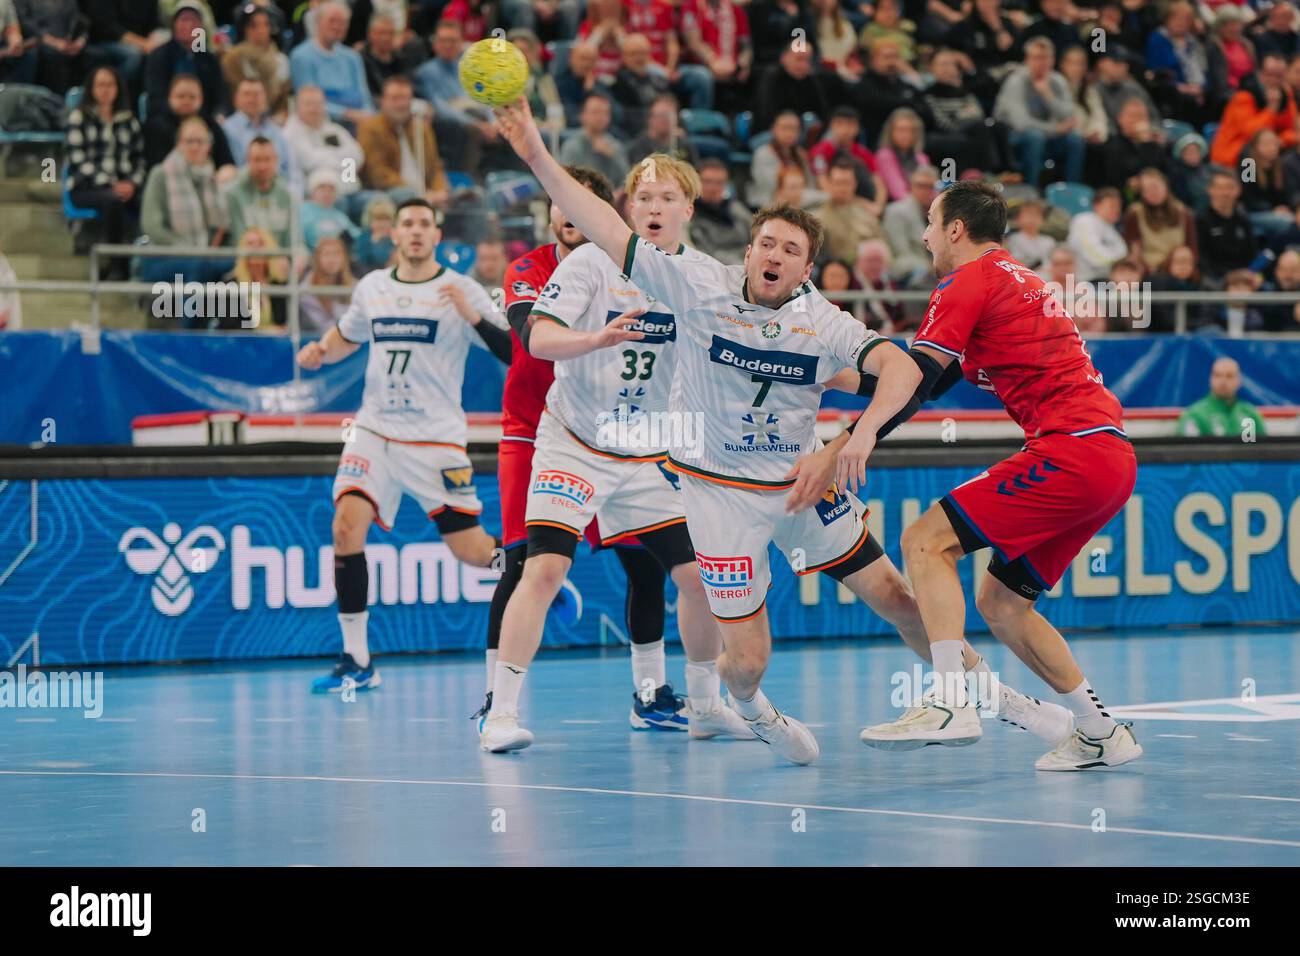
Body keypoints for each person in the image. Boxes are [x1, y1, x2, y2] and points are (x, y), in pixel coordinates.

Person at [491, 98, 1073, 763]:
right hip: (718, 495)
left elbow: (901, 371)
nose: (775, 253)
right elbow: (601, 225)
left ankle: (1005, 703)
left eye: (791, 249)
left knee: (899, 600)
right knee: (749, 660)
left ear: (804, 270)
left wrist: (859, 435)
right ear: (747, 251)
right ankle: (748, 708)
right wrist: (535, 151)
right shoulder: (695, 284)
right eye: (766, 241)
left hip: (799, 484)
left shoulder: (820, 321)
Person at [855, 180, 1142, 771]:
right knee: (1003, 605)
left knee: (924, 541)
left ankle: (949, 701)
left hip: (1071, 450)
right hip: (1109, 457)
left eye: (932, 223)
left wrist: (851, 439)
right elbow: (924, 382)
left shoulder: (965, 281)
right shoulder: (1020, 279)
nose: (927, 234)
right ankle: (1099, 731)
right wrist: (830, 375)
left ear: (956, 228)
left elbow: (918, 382)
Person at [478, 152, 754, 751]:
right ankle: (500, 714)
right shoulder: (590, 263)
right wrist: (595, 338)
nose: (654, 208)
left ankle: (704, 705)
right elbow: (540, 338)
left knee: (699, 579)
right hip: (574, 441)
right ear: (627, 209)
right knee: (544, 567)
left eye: (666, 199)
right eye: (643, 198)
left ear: (688, 207)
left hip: (647, 453)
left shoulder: (707, 276)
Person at [296, 198, 514, 693]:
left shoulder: (461, 289)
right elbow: (347, 334)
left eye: (424, 224)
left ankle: (527, 567)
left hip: (434, 440)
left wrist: (473, 318)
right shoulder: (373, 286)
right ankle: (357, 659)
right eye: (407, 223)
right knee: (345, 527)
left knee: (473, 552)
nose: (415, 232)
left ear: (437, 235)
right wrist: (320, 352)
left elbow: (511, 351)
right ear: (393, 234)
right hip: (373, 431)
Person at [66, 65, 145, 269]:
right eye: (100, 85)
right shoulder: (79, 118)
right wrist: (112, 185)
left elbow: (139, 159)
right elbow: (78, 162)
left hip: (125, 186)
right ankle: (117, 265)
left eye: (110, 85)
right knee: (113, 202)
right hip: (87, 187)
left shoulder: (129, 120)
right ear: (91, 89)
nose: (105, 89)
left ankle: (147, 262)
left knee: (148, 200)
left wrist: (132, 183)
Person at [139, 116, 231, 285]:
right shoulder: (161, 174)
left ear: (209, 145)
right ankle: (190, 312)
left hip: (205, 254)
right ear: (179, 144)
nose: (195, 147)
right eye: (189, 141)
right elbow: (152, 226)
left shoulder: (211, 177)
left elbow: (220, 225)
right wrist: (189, 250)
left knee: (238, 264)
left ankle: (256, 311)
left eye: (200, 141)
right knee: (198, 266)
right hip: (163, 257)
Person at [993, 37, 1085, 188]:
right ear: (1027, 59)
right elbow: (1021, 123)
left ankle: (1071, 191)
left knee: (1075, 139)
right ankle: (1032, 191)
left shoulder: (1057, 80)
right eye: (1037, 58)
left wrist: (1048, 95)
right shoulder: (1016, 82)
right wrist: (1056, 129)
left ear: (1052, 60)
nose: (1042, 63)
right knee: (1035, 136)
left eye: (1046, 58)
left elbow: (1070, 116)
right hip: (1012, 136)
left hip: (1047, 136)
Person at [288, 0, 373, 126]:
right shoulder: (301, 56)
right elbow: (308, 101)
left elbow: (365, 96)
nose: (337, 27)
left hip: (359, 120)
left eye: (343, 23)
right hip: (322, 122)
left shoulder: (353, 57)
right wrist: (346, 113)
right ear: (318, 22)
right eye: (332, 21)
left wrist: (367, 114)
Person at [282, 84, 365, 206]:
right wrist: (343, 161)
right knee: (339, 202)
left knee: (375, 201)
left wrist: (325, 157)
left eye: (318, 104)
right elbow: (309, 161)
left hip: (351, 189)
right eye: (308, 104)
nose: (314, 109)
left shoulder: (334, 129)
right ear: (297, 106)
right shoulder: (290, 133)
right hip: (316, 197)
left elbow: (357, 156)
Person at [144, 2, 226, 119]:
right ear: (174, 24)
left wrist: (218, 114)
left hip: (204, 118)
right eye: (183, 20)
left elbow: (219, 95)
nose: (188, 25)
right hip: (167, 118)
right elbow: (155, 96)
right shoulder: (159, 56)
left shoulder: (209, 59)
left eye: (194, 21)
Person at [143, 73, 236, 174]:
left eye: (192, 97)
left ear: (201, 99)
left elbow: (227, 163)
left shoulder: (211, 126)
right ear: (170, 98)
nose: (186, 101)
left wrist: (225, 173)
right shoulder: (155, 128)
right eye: (181, 96)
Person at [1122, 168, 1198, 275]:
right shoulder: (1135, 214)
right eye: (1146, 189)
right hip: (1151, 271)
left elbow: (1192, 248)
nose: (1152, 192)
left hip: (1180, 269)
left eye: (1155, 187)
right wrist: (1147, 269)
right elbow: (1135, 252)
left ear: (1165, 186)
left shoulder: (1183, 213)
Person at [221, 4, 291, 116]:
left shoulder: (281, 60)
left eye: (266, 24)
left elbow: (283, 101)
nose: (260, 30)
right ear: (244, 29)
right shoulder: (232, 59)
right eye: (254, 26)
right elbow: (229, 95)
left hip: (274, 120)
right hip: (239, 116)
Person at [812, 157, 885, 264]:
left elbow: (884, 250)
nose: (842, 188)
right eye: (838, 182)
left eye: (847, 183)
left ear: (854, 184)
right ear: (829, 184)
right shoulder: (817, 220)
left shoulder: (868, 216)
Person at [225, 137, 293, 250]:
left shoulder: (287, 195)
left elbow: (293, 241)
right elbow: (239, 241)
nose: (263, 166)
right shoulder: (233, 194)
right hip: (246, 261)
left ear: (276, 160)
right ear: (248, 160)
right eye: (257, 160)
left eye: (267, 159)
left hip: (280, 263)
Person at [1196, 165, 1259, 285]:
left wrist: (1249, 274)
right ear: (1210, 190)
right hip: (1216, 278)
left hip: (1243, 278)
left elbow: (1251, 254)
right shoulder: (1201, 220)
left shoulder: (1243, 219)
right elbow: (1202, 260)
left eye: (1230, 188)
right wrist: (1228, 277)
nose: (1225, 193)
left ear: (1238, 190)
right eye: (1220, 188)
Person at [1178, 357, 1266, 437]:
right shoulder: (1196, 415)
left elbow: (1261, 450)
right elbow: (1190, 452)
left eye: (1229, 376)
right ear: (1210, 379)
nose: (1223, 381)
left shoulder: (1249, 415)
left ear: (1239, 381)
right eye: (1217, 375)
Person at [557, 94, 631, 192]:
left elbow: (628, 182)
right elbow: (565, 180)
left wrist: (613, 156)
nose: (600, 117)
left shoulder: (615, 146)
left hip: (612, 201)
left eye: (605, 113)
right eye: (595, 112)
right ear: (583, 116)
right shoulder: (573, 146)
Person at [221, 77, 292, 175]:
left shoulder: (275, 130)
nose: (251, 99)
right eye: (246, 94)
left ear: (265, 98)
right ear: (236, 99)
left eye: (256, 94)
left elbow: (290, 167)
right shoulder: (226, 130)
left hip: (278, 185)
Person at [690, 158, 753, 261]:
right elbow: (704, 256)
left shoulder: (735, 208)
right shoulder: (689, 214)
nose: (713, 188)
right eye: (707, 182)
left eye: (719, 183)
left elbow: (757, 234)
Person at [1068, 186, 1128, 282]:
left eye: (1119, 206)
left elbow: (1123, 253)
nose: (1117, 210)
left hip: (1109, 280)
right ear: (1096, 205)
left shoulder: (1111, 229)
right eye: (1112, 205)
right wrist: (1120, 265)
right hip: (1085, 281)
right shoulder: (1085, 220)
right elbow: (1094, 255)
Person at [299, 236, 355, 332]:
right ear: (317, 258)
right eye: (326, 254)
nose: (332, 259)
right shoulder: (305, 290)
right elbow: (320, 326)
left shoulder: (356, 286)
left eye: (336, 254)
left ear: (344, 258)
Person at [1005, 199, 1055, 279]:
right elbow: (1017, 263)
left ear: (1043, 220)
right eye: (1028, 214)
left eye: (1036, 215)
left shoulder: (1049, 241)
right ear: (1017, 219)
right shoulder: (1013, 240)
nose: (1032, 218)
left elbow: (1051, 264)